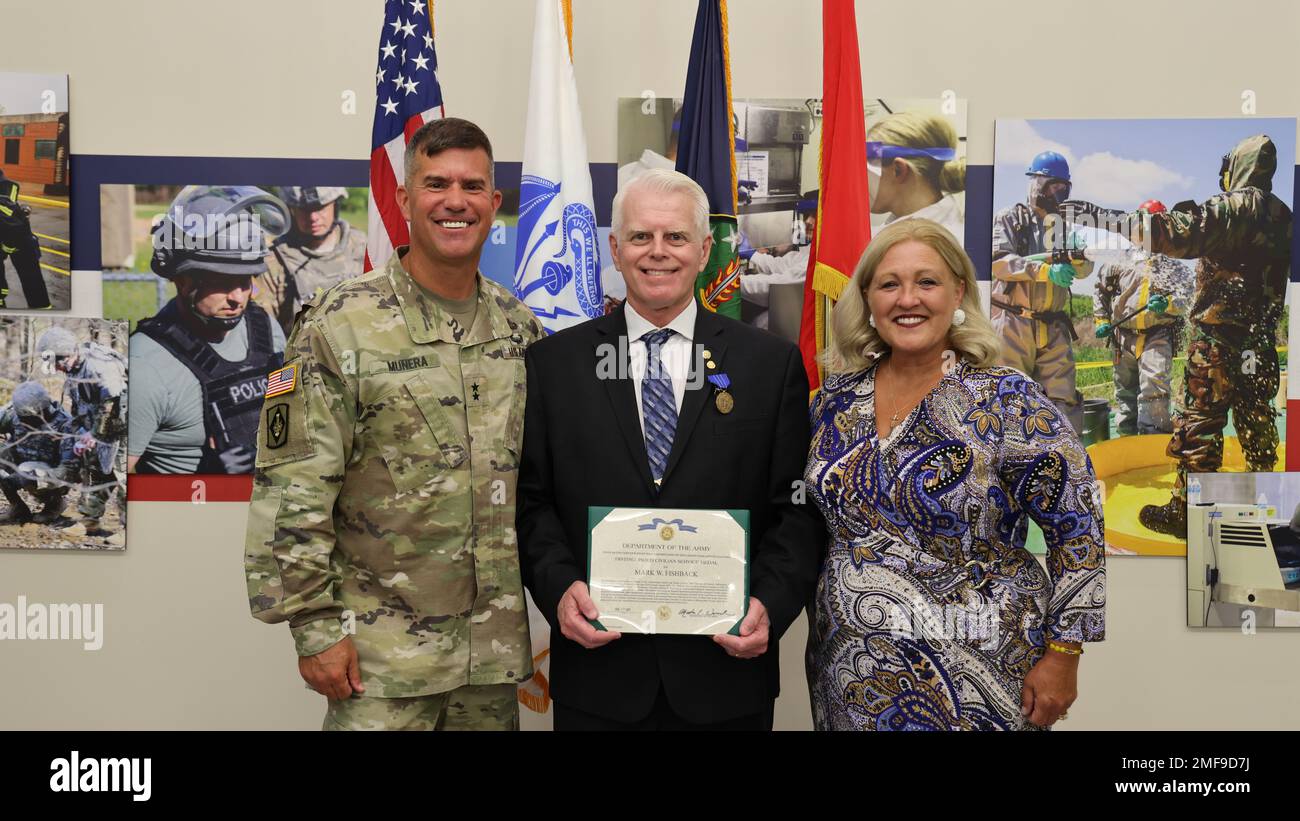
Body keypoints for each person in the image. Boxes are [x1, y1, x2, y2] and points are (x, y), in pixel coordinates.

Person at [244, 117, 545, 732]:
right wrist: (316, 628)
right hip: (379, 663)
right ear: (405, 199)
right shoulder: (340, 324)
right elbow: (291, 490)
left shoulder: (520, 329)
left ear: (494, 203)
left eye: (471, 186)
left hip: (488, 662)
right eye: (436, 184)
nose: (454, 201)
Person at [516, 168, 824, 731]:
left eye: (676, 237)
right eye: (640, 237)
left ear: (705, 249)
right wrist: (560, 591)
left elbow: (796, 509)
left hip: (725, 672)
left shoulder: (769, 366)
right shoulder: (553, 366)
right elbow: (533, 503)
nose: (658, 253)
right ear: (615, 247)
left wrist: (770, 607)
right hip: (600, 673)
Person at [805, 218, 1106, 730]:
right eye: (889, 284)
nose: (908, 299)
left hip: (980, 672)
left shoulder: (1008, 398)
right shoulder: (834, 400)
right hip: (849, 676)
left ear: (958, 292)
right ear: (868, 300)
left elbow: (1078, 528)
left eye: (927, 282)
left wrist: (1064, 653)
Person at [1063, 134, 1292, 538]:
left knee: (1199, 426)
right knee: (1257, 427)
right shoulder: (1283, 216)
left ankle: (1188, 513)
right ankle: (1263, 509)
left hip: (1219, 340)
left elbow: (1174, 232)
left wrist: (1100, 217)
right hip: (1259, 343)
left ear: (1237, 167)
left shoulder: (1235, 205)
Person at [127, 186, 288, 475]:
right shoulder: (144, 367)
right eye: (224, 282)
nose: (238, 297)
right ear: (184, 281)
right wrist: (210, 477)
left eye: (246, 280)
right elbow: (111, 484)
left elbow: (286, 404)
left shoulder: (262, 326)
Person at [990, 150, 1093, 433]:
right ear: (1036, 183)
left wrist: (1080, 260)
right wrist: (1045, 270)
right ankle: (1010, 468)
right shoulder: (1009, 218)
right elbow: (998, 262)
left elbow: (1085, 269)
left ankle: (1067, 468)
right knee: (1008, 398)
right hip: (1013, 324)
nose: (1057, 194)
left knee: (1064, 399)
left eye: (1063, 188)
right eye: (1053, 186)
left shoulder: (1062, 227)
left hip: (1053, 325)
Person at [1090, 200, 1183, 436]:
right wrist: (1101, 321)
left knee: (1155, 390)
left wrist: (1167, 304)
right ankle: (1127, 439)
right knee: (1125, 393)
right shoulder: (1119, 261)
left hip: (1156, 335)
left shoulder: (1171, 263)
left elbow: (1186, 297)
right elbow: (1100, 290)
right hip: (1123, 337)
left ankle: (1153, 443)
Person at [34, 326, 128, 536]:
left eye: (59, 362)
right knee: (93, 471)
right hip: (101, 428)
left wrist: (94, 434)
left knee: (123, 476)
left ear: (69, 353)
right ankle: (89, 520)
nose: (57, 368)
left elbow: (114, 403)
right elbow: (80, 407)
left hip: (125, 426)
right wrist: (81, 435)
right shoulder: (74, 370)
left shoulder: (99, 365)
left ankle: (128, 529)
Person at [253, 186, 367, 336]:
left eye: (320, 208)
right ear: (291, 210)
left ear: (335, 204)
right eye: (304, 210)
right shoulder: (276, 260)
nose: (313, 217)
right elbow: (263, 330)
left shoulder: (362, 246)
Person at [867, 111, 966, 241]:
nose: (859, 180)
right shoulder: (902, 228)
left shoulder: (931, 245)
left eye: (867, 167)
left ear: (898, 170)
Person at [0, 381, 75, 524]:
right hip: (22, 462)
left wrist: (26, 477)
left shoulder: (64, 425)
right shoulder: (15, 416)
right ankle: (17, 507)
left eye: (28, 417)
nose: (24, 421)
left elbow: (67, 468)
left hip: (51, 474)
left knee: (28, 470)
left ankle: (55, 505)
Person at [740, 191, 817, 330]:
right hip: (792, 318)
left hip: (799, 329)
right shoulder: (814, 249)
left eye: (815, 215)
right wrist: (751, 254)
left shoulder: (823, 260)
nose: (807, 221)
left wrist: (732, 282)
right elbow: (783, 265)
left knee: (758, 324)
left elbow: (776, 286)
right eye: (807, 215)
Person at [0, 169, 51, 310]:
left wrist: (5, 248)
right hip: (15, 234)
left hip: (19, 239)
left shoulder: (7, 189)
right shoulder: (8, 187)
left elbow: (11, 225)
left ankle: (41, 309)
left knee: (33, 283)